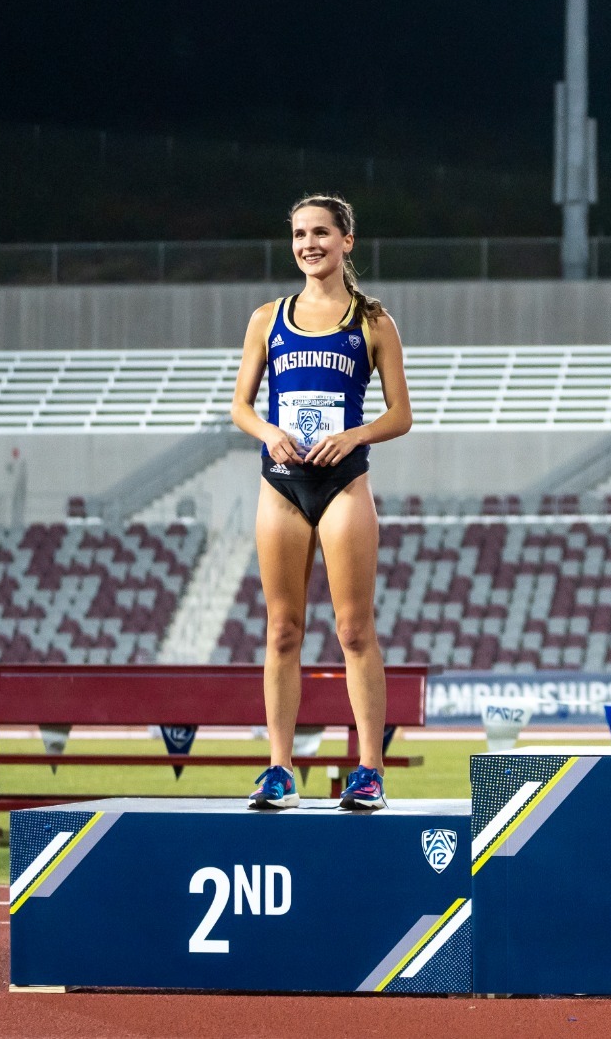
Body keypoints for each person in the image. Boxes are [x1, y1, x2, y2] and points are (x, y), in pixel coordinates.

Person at [230, 194, 413, 808]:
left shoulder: (372, 320)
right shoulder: (267, 318)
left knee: (354, 629)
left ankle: (368, 771)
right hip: (280, 485)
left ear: (347, 242)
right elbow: (239, 406)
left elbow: (401, 414)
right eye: (301, 235)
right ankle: (279, 769)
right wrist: (268, 431)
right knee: (282, 630)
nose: (310, 244)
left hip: (343, 485)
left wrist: (354, 434)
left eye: (322, 234)